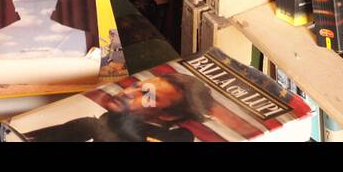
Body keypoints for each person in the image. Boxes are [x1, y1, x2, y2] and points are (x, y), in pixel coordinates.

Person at [21, 70, 220, 142]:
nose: (127, 92)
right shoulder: (111, 119)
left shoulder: (178, 138)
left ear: (168, 116)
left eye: (147, 95)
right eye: (136, 86)